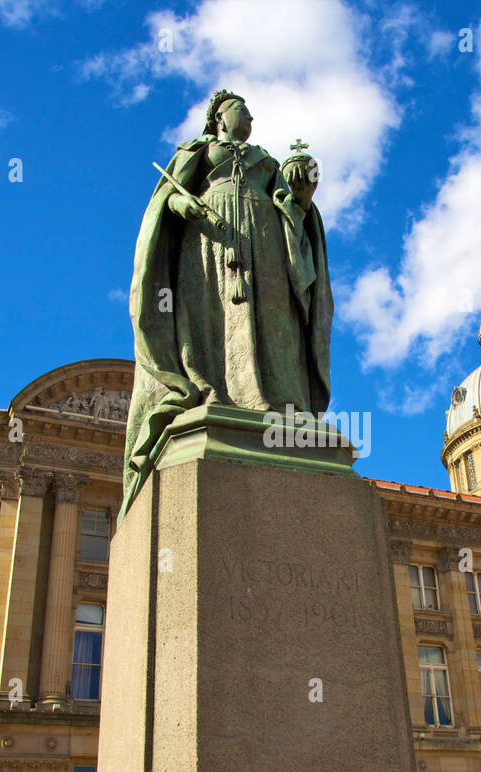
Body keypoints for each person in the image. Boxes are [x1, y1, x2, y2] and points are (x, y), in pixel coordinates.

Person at [121, 90, 333, 521]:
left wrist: (302, 194)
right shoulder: (197, 151)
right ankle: (209, 391)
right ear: (220, 116)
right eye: (241, 109)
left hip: (267, 241)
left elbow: (293, 205)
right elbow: (164, 200)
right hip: (206, 240)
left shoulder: (266, 160)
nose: (249, 116)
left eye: (251, 111)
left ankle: (279, 403)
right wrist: (180, 202)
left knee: (276, 317)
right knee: (209, 318)